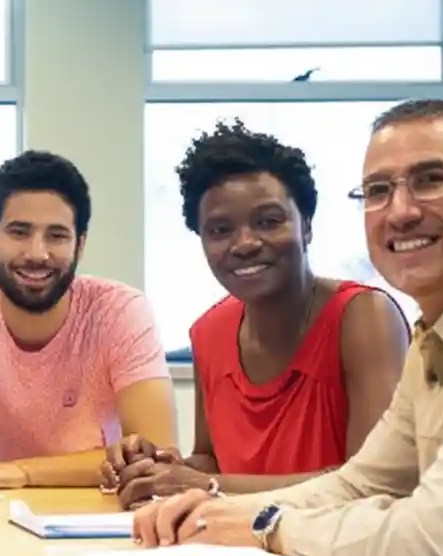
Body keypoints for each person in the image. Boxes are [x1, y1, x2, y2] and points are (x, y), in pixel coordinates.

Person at [134, 99, 443, 556]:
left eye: (431, 179)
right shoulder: (442, 324)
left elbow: (429, 548)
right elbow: (365, 481)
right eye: (377, 190)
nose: (399, 211)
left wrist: (261, 526)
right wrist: (210, 513)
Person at [105, 121, 410, 508]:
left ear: (308, 226)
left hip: (332, 555)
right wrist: (158, 467)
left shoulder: (364, 317)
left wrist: (206, 486)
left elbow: (374, 485)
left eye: (268, 221)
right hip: (235, 548)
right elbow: (212, 460)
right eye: (219, 230)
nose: (245, 243)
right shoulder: (209, 331)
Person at [0, 150, 176, 506]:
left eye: (56, 236)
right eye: (19, 232)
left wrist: (19, 471)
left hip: (108, 510)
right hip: (7, 512)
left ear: (80, 245)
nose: (37, 253)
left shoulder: (120, 311)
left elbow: (155, 455)